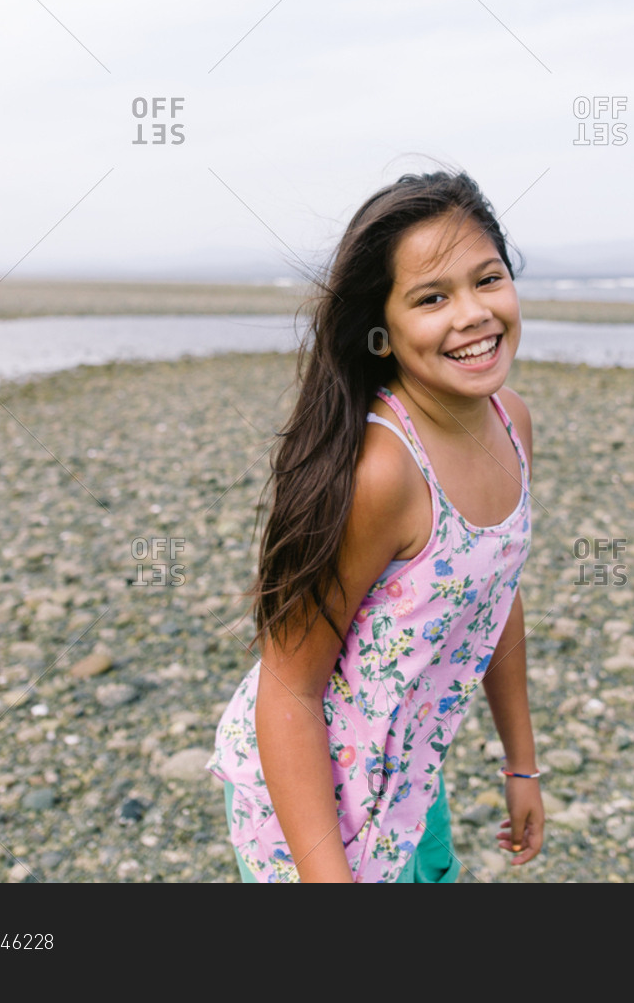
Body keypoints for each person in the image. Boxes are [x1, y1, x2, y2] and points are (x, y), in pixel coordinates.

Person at [206, 170, 544, 883]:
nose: (473, 314)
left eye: (488, 279)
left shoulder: (512, 423)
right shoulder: (381, 475)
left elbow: (496, 591)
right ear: (383, 333)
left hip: (414, 776)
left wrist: (522, 762)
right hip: (310, 797)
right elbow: (289, 688)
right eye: (431, 298)